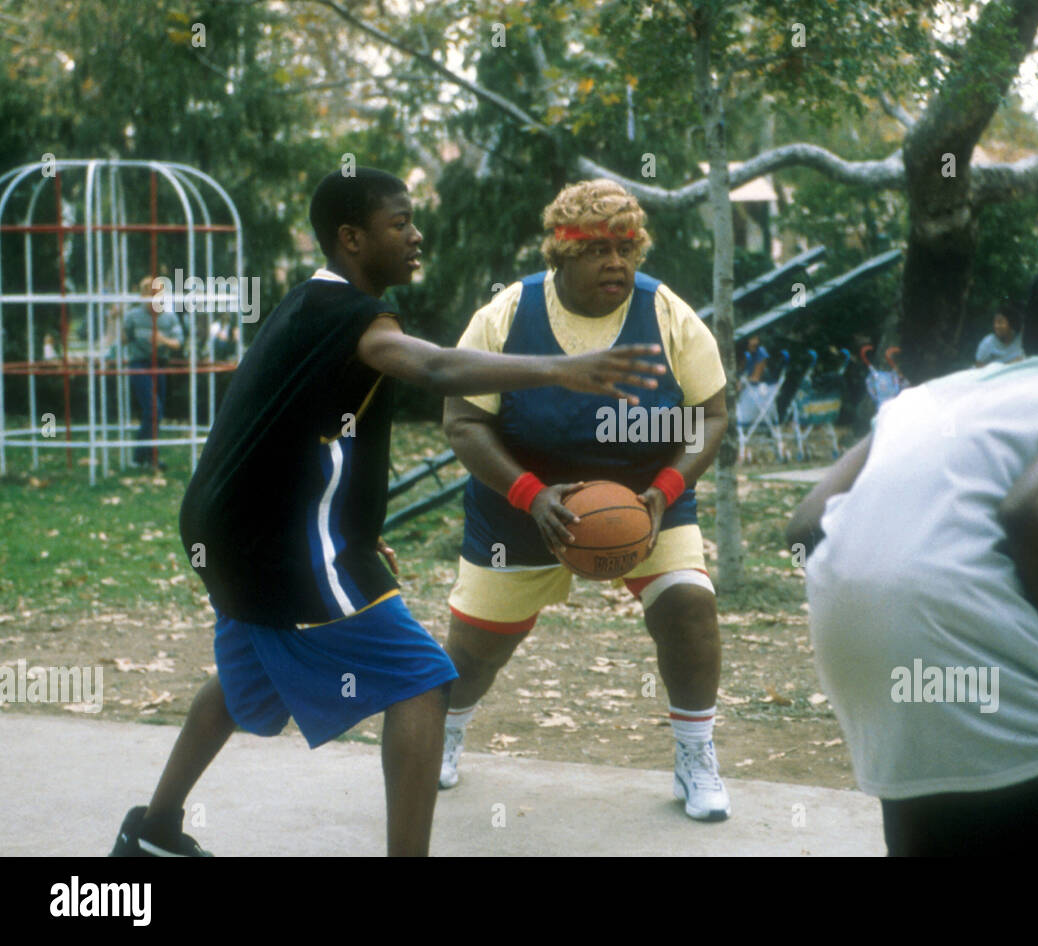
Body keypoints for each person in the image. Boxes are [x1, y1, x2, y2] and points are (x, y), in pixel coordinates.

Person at [108, 168, 664, 858]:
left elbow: (292, 436)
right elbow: (435, 369)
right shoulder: (356, 321)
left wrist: (357, 537)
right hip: (279, 543)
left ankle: (152, 834)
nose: (415, 234)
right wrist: (559, 369)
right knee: (424, 682)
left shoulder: (307, 305)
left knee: (247, 674)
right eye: (399, 223)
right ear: (351, 238)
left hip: (224, 530)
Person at [788, 255, 1038, 856]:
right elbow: (1028, 511)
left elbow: (805, 523)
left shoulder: (928, 397)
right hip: (972, 658)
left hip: (868, 676)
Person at [438, 178, 733, 821]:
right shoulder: (507, 315)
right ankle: (446, 730)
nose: (617, 261)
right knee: (475, 651)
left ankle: (695, 755)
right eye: (598, 248)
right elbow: (462, 420)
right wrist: (531, 495)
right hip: (519, 496)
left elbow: (711, 413)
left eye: (627, 247)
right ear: (561, 254)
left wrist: (664, 493)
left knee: (689, 606)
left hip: (642, 492)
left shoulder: (667, 314)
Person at [122, 275, 184, 469]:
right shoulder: (133, 316)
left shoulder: (169, 317)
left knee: (157, 411)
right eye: (150, 294)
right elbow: (122, 340)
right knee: (153, 408)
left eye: (158, 294)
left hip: (159, 364)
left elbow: (178, 342)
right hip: (139, 364)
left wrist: (162, 340)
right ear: (142, 296)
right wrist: (115, 320)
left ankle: (147, 456)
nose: (155, 298)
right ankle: (143, 456)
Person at [973, 302, 1024, 367]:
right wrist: (1009, 365)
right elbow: (978, 367)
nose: (996, 326)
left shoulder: (1020, 340)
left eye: (1000, 322)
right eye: (995, 322)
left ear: (1011, 323)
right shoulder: (988, 342)